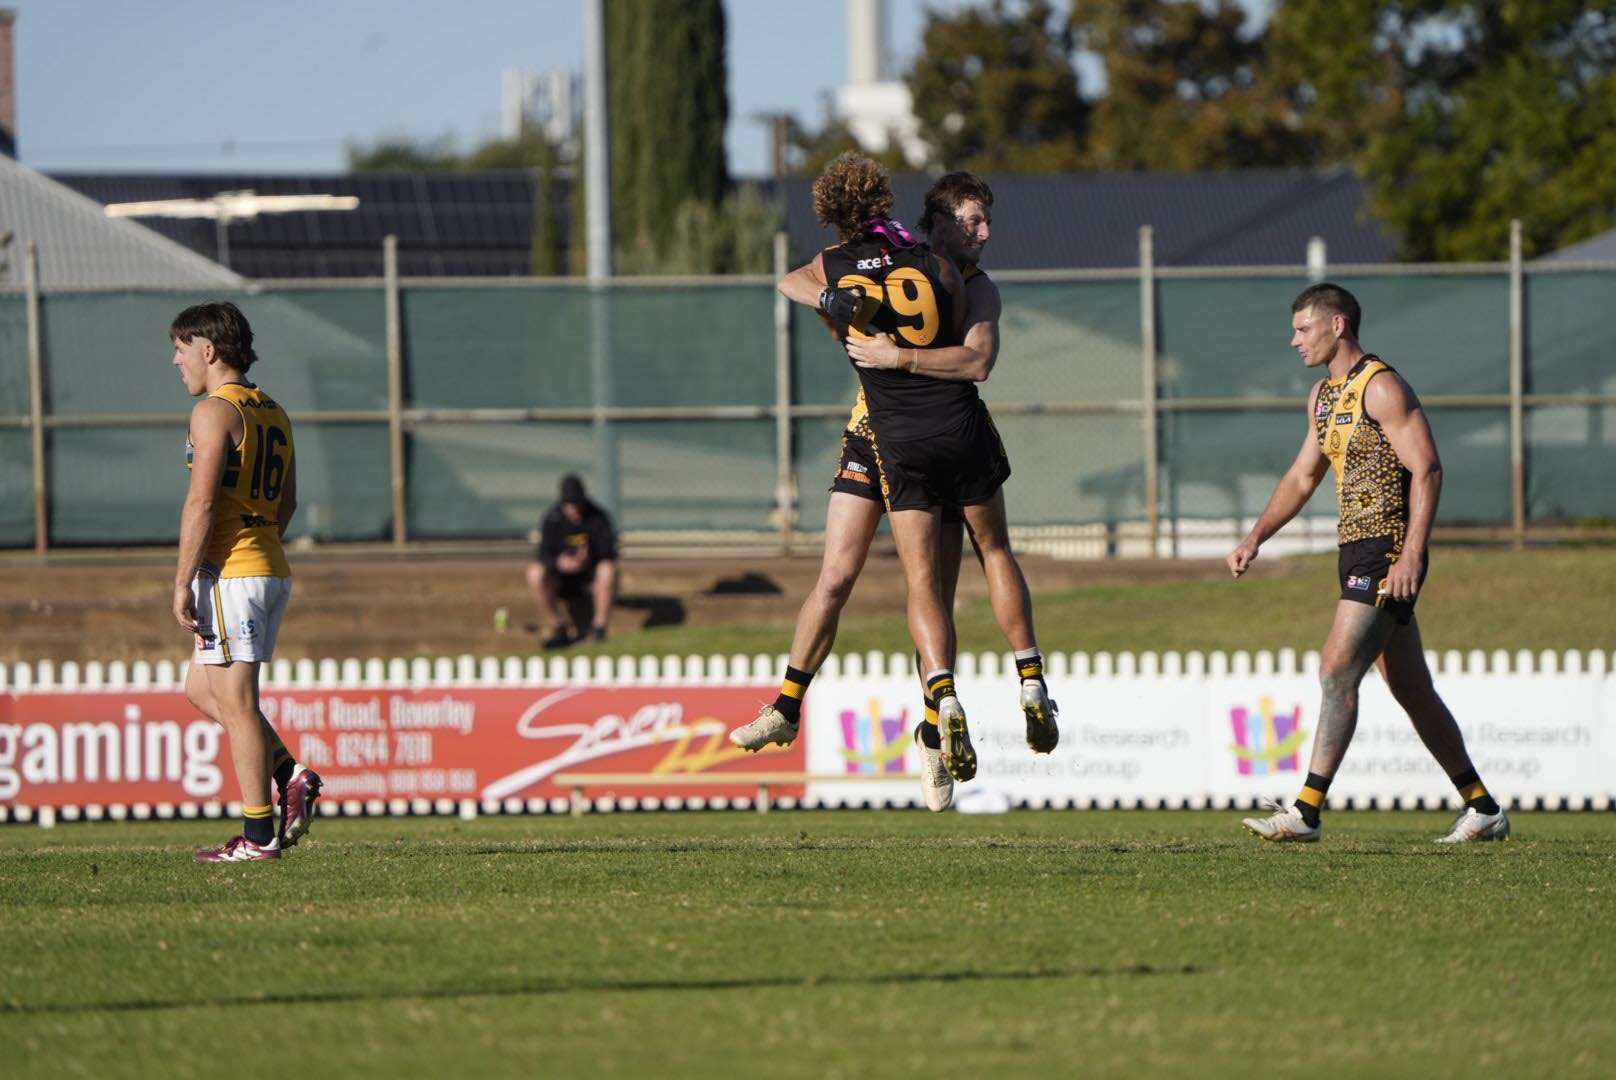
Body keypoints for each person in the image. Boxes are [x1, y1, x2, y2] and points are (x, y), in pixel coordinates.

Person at [729, 156, 1058, 800]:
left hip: (914, 435)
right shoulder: (922, 267)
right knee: (838, 575)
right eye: (973, 221)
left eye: (986, 221)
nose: (984, 233)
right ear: (935, 221)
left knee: (931, 587)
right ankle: (787, 707)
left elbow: (973, 361)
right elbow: (804, 284)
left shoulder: (955, 277)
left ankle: (935, 731)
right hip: (875, 432)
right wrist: (830, 299)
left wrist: (888, 347)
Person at [1229, 283, 1508, 844]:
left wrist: (1412, 553)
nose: (1294, 340)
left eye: (1303, 328)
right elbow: (1302, 476)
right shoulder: (1323, 396)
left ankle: (1306, 812)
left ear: (1337, 326)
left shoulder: (1381, 386)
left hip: (1388, 548)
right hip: (1354, 549)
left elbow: (1427, 469)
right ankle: (1483, 808)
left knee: (1336, 669)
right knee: (1410, 687)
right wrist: (1256, 536)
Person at [171, 300, 320, 863]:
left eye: (181, 348)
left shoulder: (214, 411)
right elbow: (289, 502)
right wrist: (261, 543)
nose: (176, 360)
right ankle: (290, 773)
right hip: (268, 566)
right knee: (200, 688)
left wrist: (182, 580)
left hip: (232, 574)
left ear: (208, 350)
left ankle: (258, 836)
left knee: (237, 706)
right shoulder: (273, 410)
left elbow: (203, 502)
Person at [528, 473, 618, 648]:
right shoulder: (552, 519)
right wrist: (560, 562)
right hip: (560, 579)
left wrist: (587, 560)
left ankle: (600, 627)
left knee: (607, 569)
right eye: (569, 504)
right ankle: (558, 626)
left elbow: (609, 552)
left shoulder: (598, 517)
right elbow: (543, 554)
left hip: (590, 576)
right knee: (535, 573)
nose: (573, 509)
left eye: (577, 503)